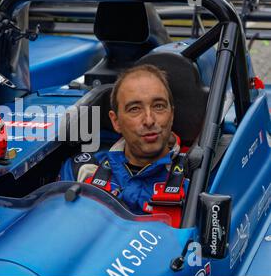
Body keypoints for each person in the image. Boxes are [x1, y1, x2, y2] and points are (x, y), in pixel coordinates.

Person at [59, 64, 188, 224]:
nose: (149, 120)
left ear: (172, 114)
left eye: (159, 106)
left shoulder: (196, 176)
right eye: (135, 109)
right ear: (116, 121)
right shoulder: (82, 170)